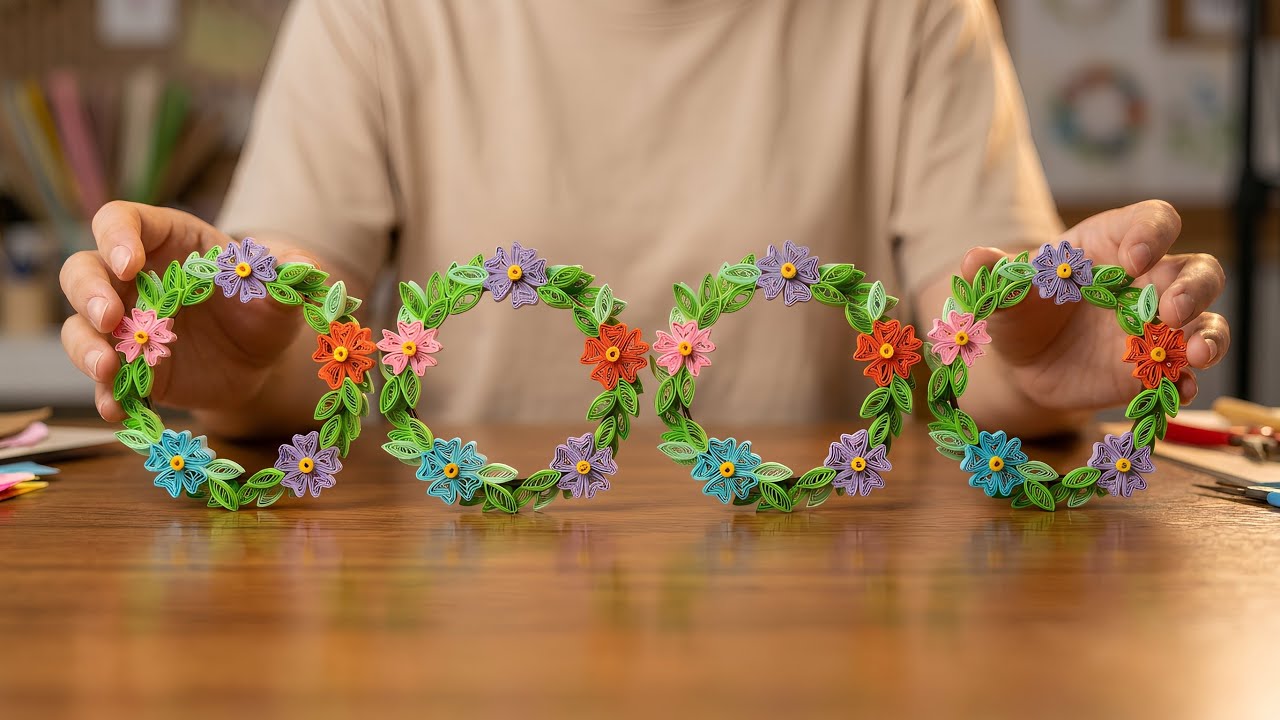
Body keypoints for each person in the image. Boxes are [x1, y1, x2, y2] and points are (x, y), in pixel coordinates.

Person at [58, 0, 1228, 440]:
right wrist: (232, 358)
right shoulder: (374, 13)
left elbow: (984, 340)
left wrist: (1033, 360)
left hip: (827, 629)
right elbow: (292, 327)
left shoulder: (917, 14)